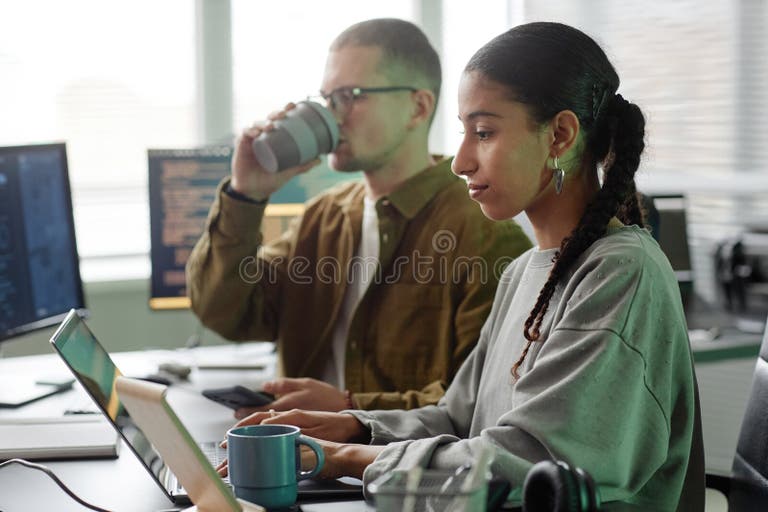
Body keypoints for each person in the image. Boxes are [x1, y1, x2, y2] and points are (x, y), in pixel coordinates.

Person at [224, 22, 706, 509]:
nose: (460, 161)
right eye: (464, 132)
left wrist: (347, 457)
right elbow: (460, 419)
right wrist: (358, 426)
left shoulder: (622, 273)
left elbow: (535, 459)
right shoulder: (524, 272)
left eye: (484, 132)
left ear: (560, 135)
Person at [186, 18, 532, 415]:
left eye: (350, 95)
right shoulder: (323, 217)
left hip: (398, 470)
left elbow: (481, 403)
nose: (332, 116)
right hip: (304, 462)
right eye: (327, 98)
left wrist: (351, 410)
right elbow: (225, 313)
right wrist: (246, 193)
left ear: (417, 108)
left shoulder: (484, 233)